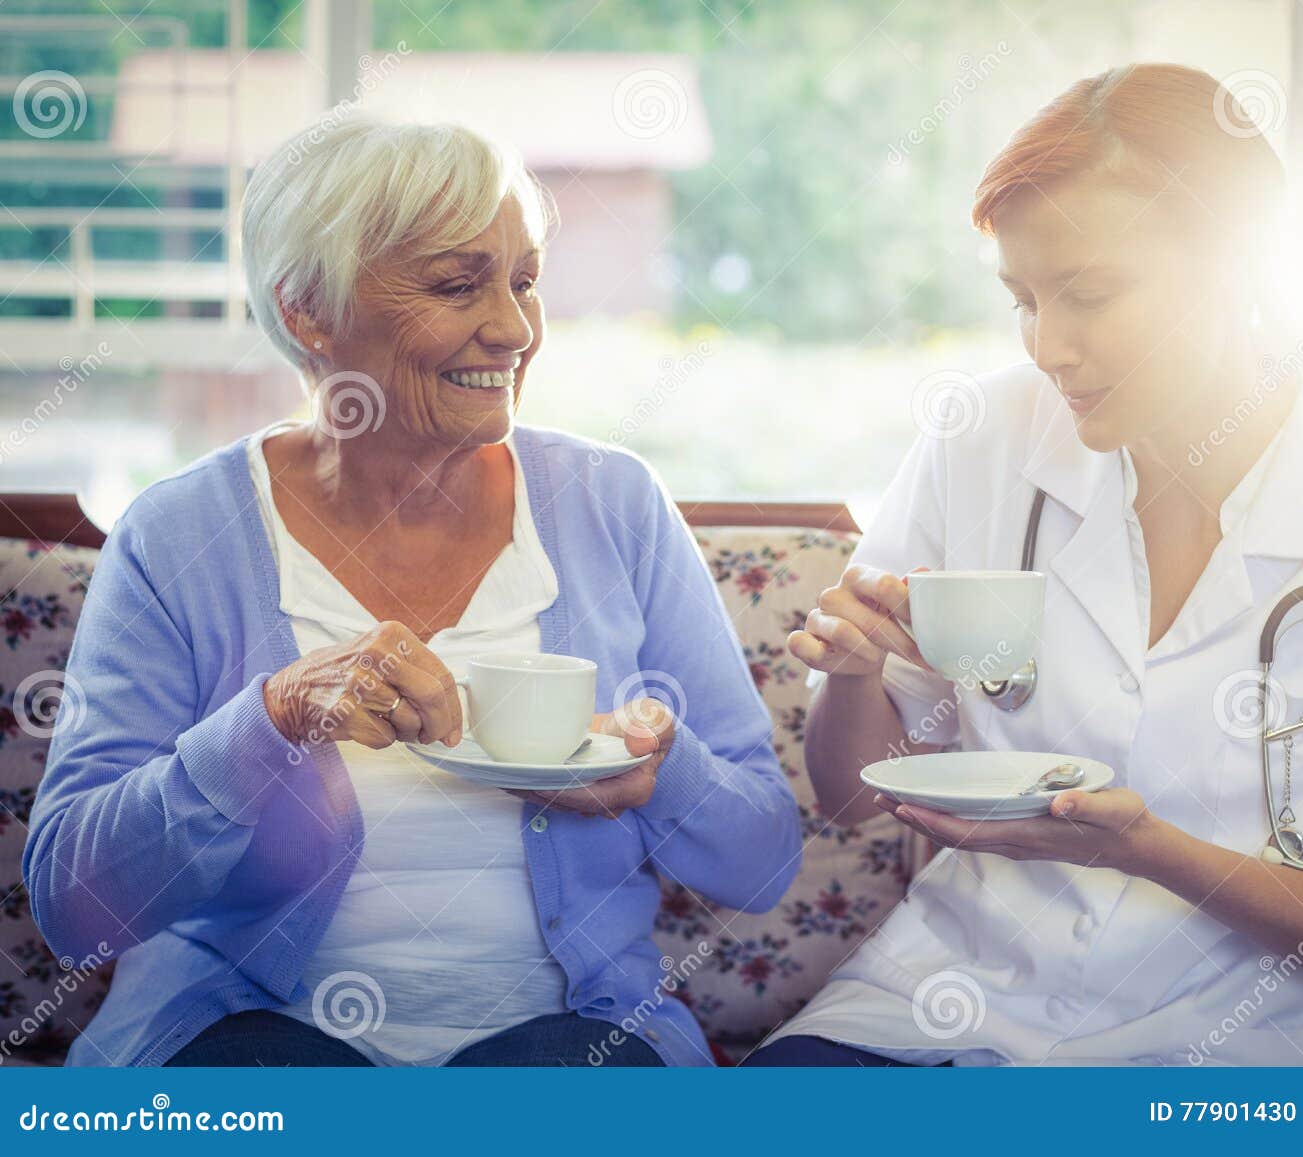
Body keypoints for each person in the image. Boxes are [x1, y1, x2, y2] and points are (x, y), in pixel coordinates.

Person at [748, 63, 1303, 1067]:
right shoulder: (979, 437)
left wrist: (1145, 848)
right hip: (929, 1009)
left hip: (1218, 1054)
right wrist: (852, 677)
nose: (1044, 345)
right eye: (1022, 298)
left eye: (1086, 293)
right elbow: (854, 798)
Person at [24, 119, 800, 1068]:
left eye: (524, 280)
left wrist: (661, 773)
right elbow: (72, 905)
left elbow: (764, 860)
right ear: (309, 309)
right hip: (251, 1036)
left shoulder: (615, 505)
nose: (514, 328)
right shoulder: (181, 534)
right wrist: (266, 723)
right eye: (456, 283)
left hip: (571, 1043)